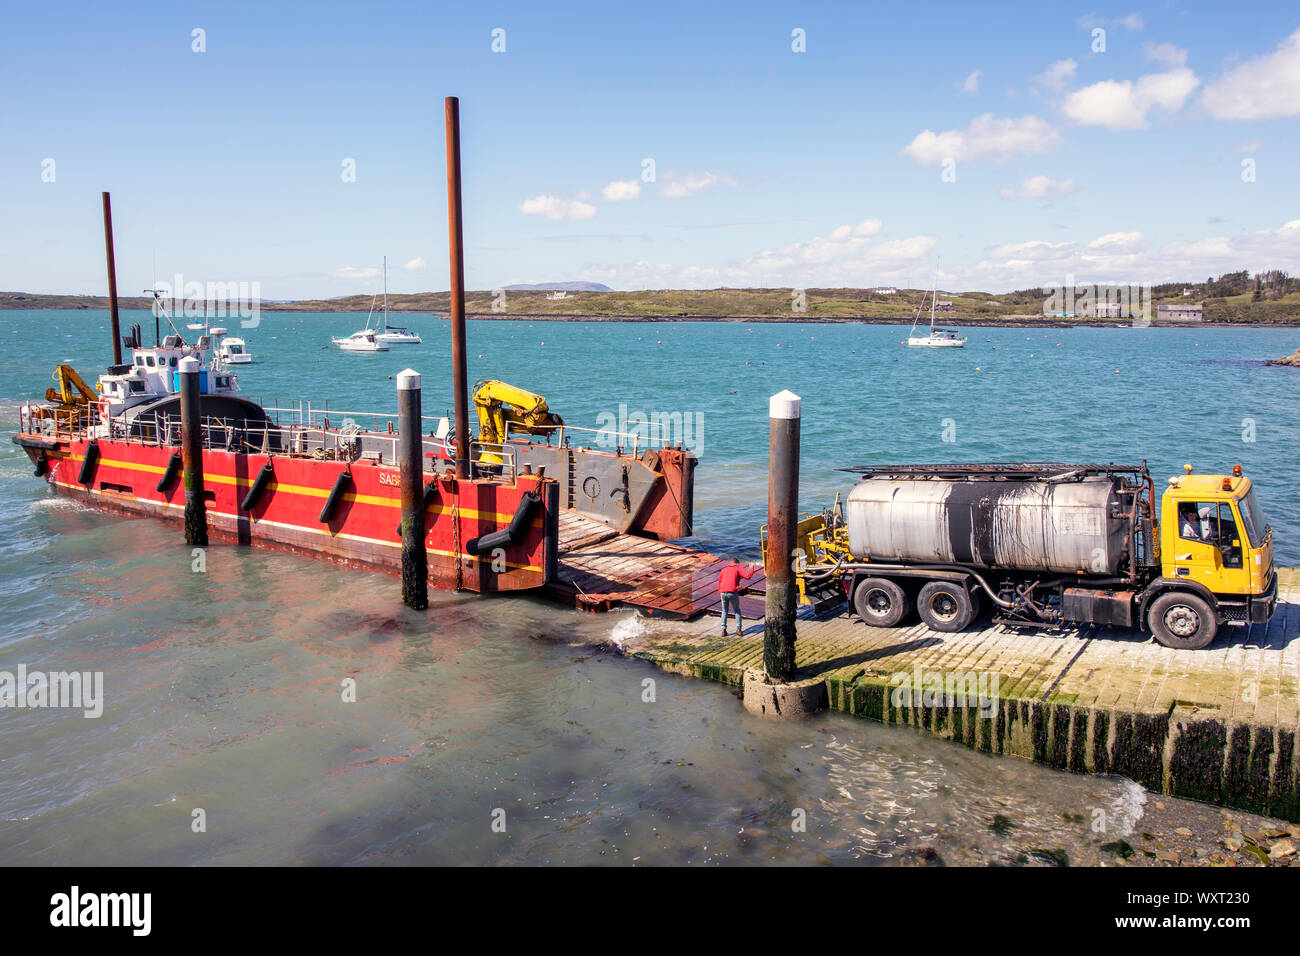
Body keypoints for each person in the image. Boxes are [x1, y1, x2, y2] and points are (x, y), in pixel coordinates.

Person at [717, 557, 757, 637]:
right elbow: (747, 576)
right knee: (737, 610)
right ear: (737, 563)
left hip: (723, 592)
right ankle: (738, 629)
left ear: (730, 563)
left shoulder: (724, 569)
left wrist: (720, 591)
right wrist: (751, 568)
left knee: (724, 610)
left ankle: (723, 630)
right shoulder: (738, 568)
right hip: (732, 592)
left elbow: (719, 581)